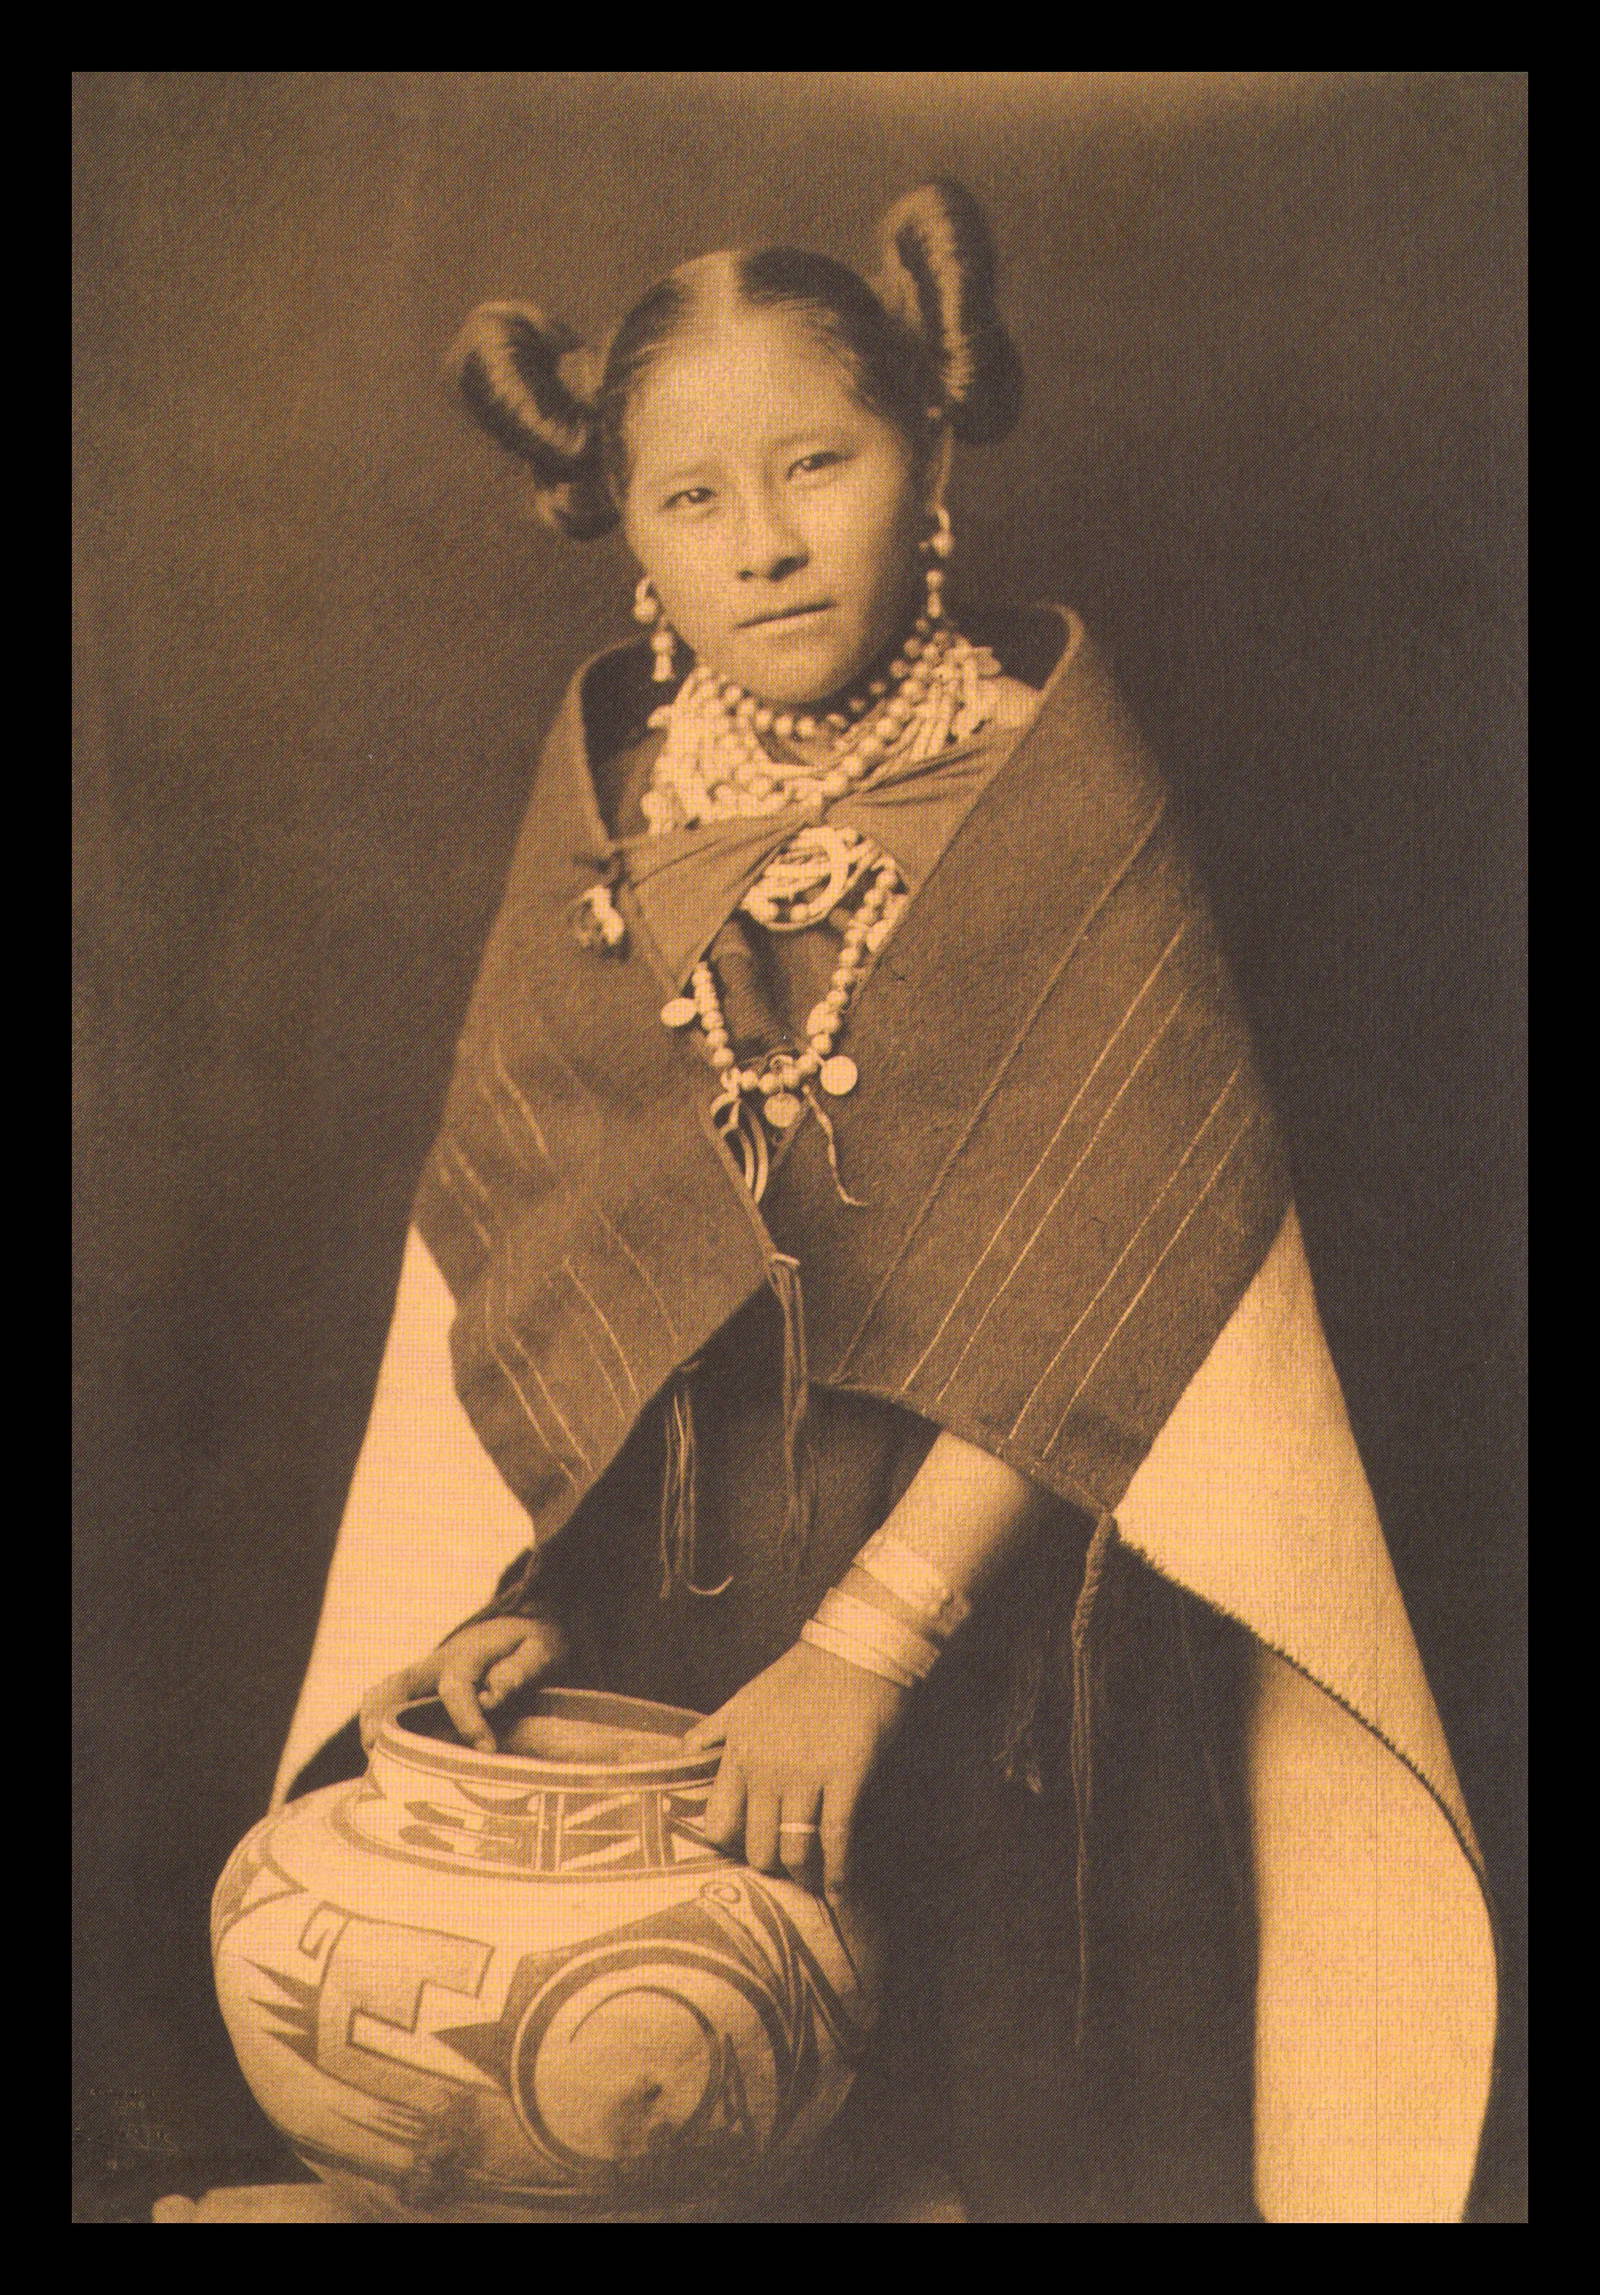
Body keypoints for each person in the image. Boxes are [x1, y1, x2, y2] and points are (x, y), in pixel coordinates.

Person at [268, 181, 1496, 2224]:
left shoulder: (1054, 792)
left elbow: (1117, 1260)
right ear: (628, 534)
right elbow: (540, 1272)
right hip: (665, 1613)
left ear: (925, 464)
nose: (760, 538)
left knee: (995, 2132)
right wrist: (509, 1595)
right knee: (676, 2117)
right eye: (691, 497)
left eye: (816, 464)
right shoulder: (610, 801)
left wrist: (864, 1649)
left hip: (994, 1628)